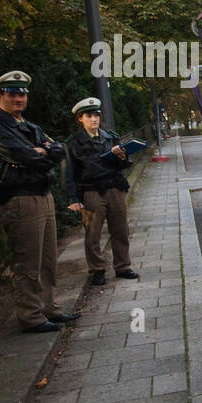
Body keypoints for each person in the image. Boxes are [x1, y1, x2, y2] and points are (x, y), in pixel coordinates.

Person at [0, 71, 80, 333]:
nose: (19, 98)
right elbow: (28, 157)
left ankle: (49, 309)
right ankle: (31, 316)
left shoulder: (29, 126)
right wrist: (40, 152)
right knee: (27, 261)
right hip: (20, 199)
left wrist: (42, 151)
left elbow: (58, 150)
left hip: (42, 196)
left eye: (22, 93)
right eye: (12, 93)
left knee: (48, 260)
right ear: (0, 95)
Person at [64, 97, 138, 286]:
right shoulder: (73, 143)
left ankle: (123, 266)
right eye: (89, 116)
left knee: (120, 229)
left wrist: (123, 156)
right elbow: (69, 172)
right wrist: (73, 197)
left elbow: (124, 164)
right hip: (90, 192)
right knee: (92, 233)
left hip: (114, 189)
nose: (94, 119)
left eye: (96, 115)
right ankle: (97, 269)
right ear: (80, 119)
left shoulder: (110, 136)